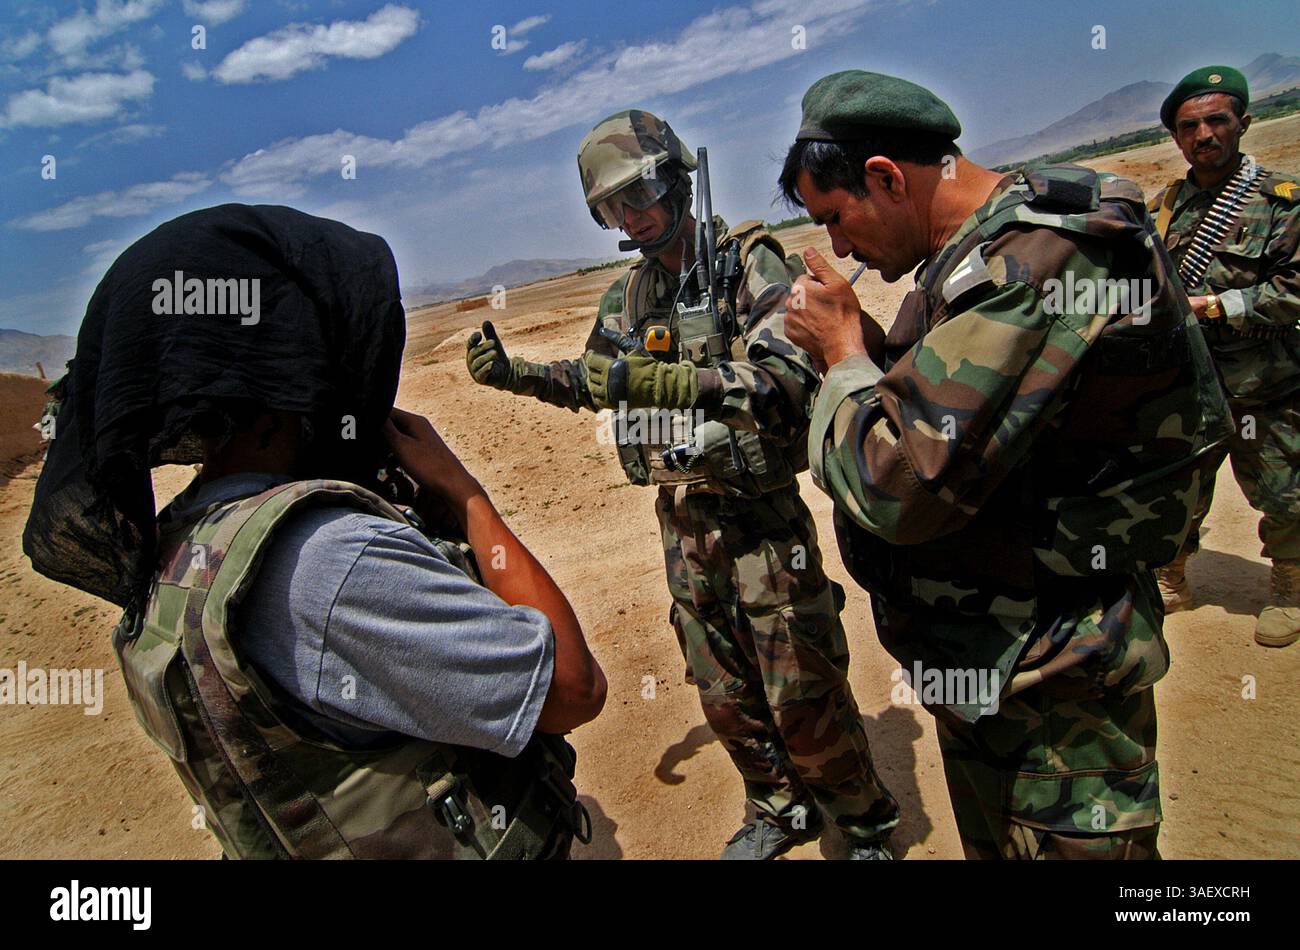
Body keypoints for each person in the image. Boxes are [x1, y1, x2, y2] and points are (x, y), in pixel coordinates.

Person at [24, 203, 605, 859]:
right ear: (292, 375)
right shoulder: (326, 558)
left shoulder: (179, 549)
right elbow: (572, 691)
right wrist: (468, 497)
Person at [779, 70, 1230, 859]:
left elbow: (897, 484)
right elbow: (973, 410)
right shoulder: (978, 255)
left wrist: (845, 355)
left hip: (1057, 691)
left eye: (836, 219)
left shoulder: (1038, 257)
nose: (842, 247)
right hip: (996, 671)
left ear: (885, 177)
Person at [466, 109, 898, 859]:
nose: (631, 220)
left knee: (801, 685)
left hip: (760, 517)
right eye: (612, 209)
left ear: (676, 182)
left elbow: (788, 379)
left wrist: (673, 381)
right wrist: (521, 375)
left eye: (639, 197)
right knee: (722, 685)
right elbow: (597, 378)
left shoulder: (748, 263)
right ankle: (778, 807)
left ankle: (864, 824)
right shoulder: (629, 298)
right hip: (686, 521)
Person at [1147, 65, 1300, 648]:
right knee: (1178, 487)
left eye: (1217, 120)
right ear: (1176, 138)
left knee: (1283, 492)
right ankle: (1173, 577)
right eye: (1190, 126)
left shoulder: (1281, 200)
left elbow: (1293, 292)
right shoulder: (1165, 208)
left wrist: (1215, 305)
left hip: (1269, 382)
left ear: (1243, 123)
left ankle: (1288, 588)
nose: (1204, 135)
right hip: (1194, 384)